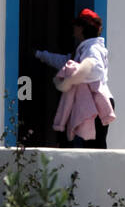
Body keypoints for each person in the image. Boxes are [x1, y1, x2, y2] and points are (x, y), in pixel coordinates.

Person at [35, 8, 114, 148]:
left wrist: (72, 77)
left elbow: (95, 70)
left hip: (97, 102)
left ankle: (94, 170)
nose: (73, 28)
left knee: (94, 147)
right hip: (95, 102)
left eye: (76, 24)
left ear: (83, 28)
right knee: (93, 145)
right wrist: (41, 55)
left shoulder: (92, 49)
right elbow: (66, 62)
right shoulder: (85, 49)